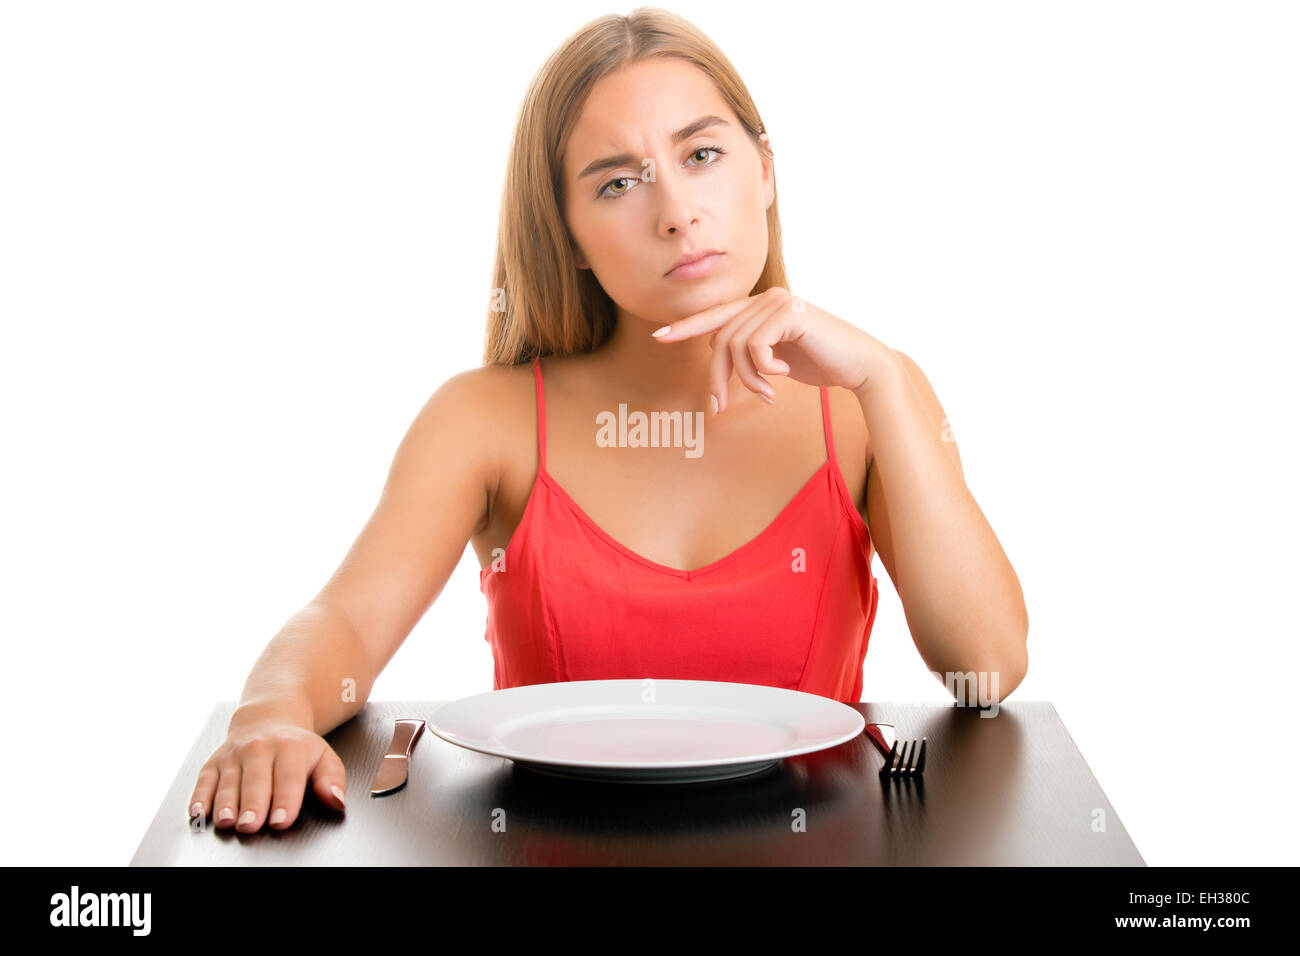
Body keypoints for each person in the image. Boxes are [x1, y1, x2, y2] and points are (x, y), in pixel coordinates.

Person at [189, 7, 1028, 834]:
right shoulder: (484, 418)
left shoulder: (869, 398)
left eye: (702, 154)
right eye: (618, 182)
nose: (675, 212)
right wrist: (268, 714)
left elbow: (985, 670)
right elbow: (341, 622)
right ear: (573, 236)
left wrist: (881, 379)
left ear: (765, 172)